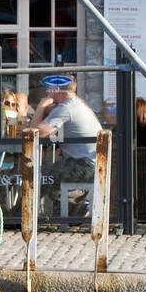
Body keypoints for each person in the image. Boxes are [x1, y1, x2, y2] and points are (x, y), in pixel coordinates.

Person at [32, 75, 102, 214]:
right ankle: (74, 208)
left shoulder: (66, 108)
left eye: (49, 87)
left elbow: (36, 133)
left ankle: (21, 216)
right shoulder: (77, 103)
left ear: (56, 89)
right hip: (93, 163)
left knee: (38, 174)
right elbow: (56, 135)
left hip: (83, 166)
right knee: (48, 172)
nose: (47, 91)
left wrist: (41, 106)